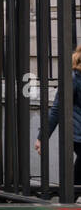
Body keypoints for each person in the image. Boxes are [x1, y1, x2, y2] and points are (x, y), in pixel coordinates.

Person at [35, 44, 81, 187]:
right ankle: (68, 200)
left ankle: (69, 198)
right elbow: (57, 109)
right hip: (78, 133)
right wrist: (42, 137)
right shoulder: (74, 77)